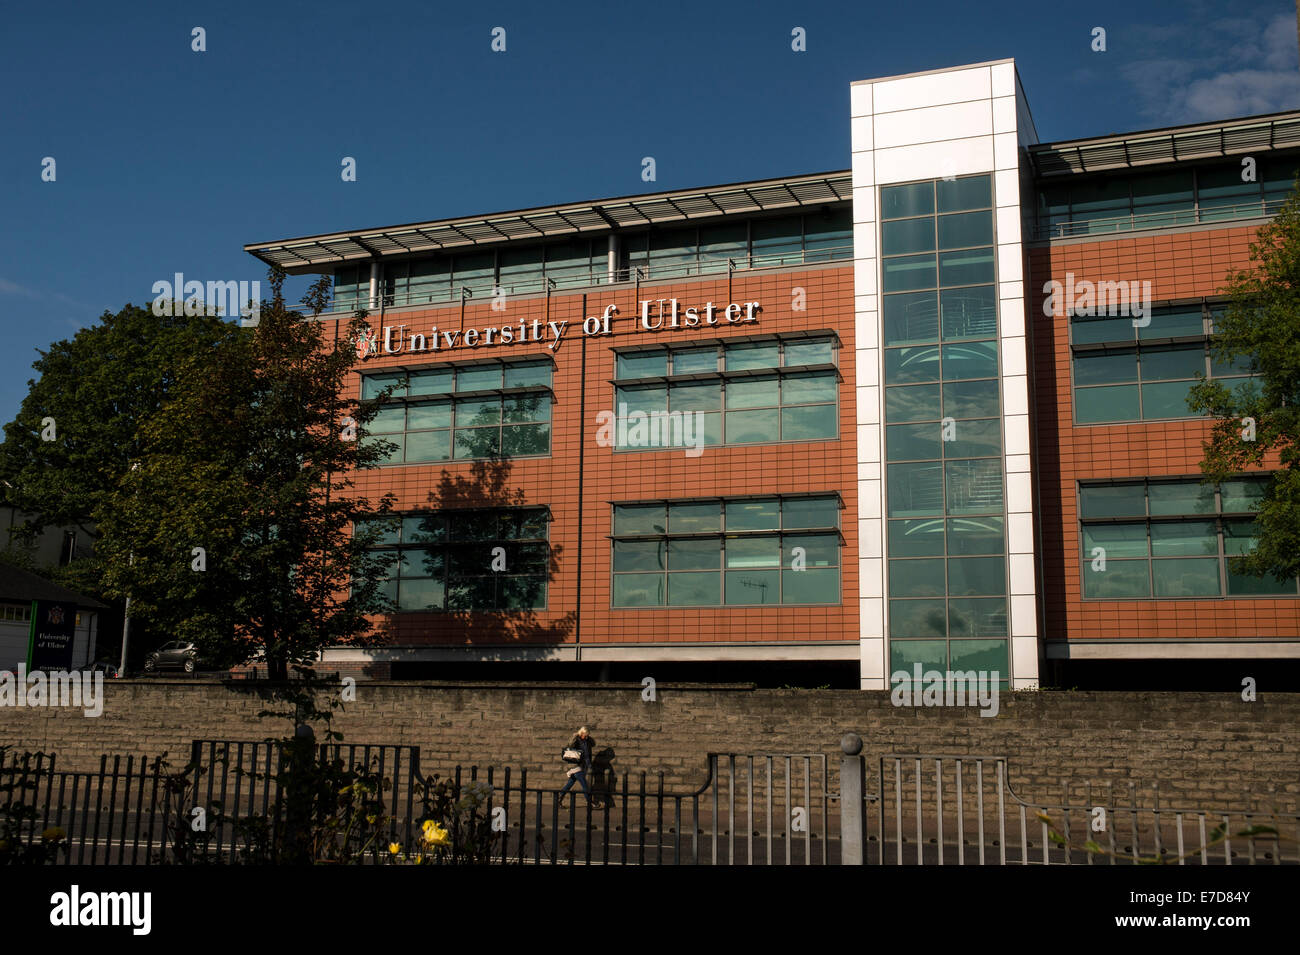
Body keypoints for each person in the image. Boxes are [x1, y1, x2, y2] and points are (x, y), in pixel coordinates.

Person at [559, 726, 594, 805]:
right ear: (581, 733)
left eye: (587, 735)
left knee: (570, 783)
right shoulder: (576, 740)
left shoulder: (586, 741)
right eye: (585, 735)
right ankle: (590, 803)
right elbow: (570, 747)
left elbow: (590, 750)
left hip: (581, 766)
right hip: (577, 766)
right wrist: (575, 738)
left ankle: (559, 798)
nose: (586, 736)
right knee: (585, 785)